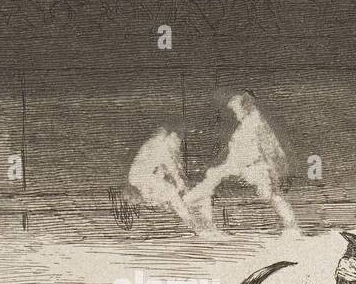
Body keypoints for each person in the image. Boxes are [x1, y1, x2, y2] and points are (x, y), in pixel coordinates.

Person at [184, 90, 298, 232]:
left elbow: (270, 148)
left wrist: (277, 170)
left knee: (271, 195)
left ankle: (292, 226)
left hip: (256, 167)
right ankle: (202, 214)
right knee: (212, 177)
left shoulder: (256, 124)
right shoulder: (246, 124)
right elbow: (236, 151)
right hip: (240, 166)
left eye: (237, 109)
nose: (236, 113)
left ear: (245, 107)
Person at [127, 126, 195, 228]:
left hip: (142, 177)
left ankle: (182, 212)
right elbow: (169, 168)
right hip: (142, 178)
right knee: (171, 191)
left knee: (170, 188)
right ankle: (188, 219)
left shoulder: (154, 144)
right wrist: (179, 184)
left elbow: (162, 168)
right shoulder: (160, 146)